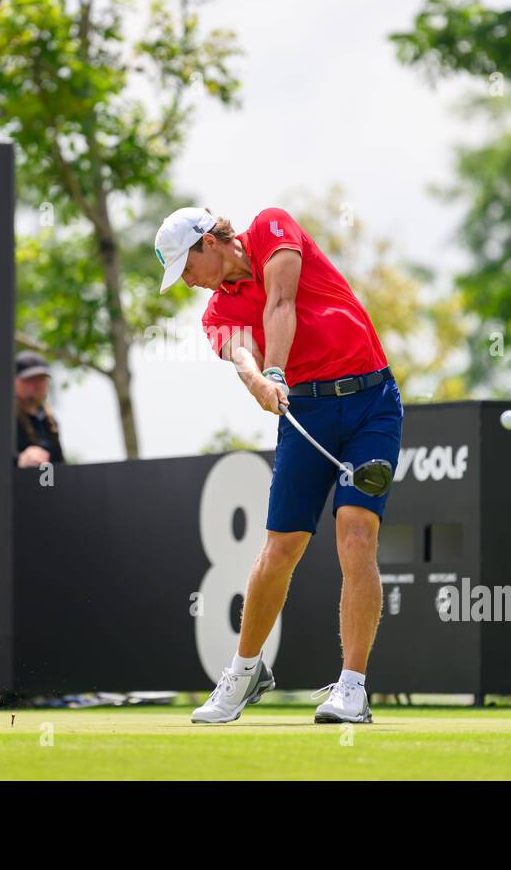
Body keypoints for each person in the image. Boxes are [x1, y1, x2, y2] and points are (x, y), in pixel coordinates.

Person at [154, 205, 403, 724]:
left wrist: (275, 369)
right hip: (305, 410)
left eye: (187, 268)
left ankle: (352, 689)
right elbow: (241, 354)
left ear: (209, 243)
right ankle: (245, 672)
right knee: (280, 548)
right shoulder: (215, 313)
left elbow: (282, 301)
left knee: (356, 534)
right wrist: (259, 382)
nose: (189, 283)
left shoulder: (271, 227)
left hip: (371, 399)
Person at [14, 350, 63, 468]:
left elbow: (59, 465)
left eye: (42, 379)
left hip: (45, 485)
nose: (37, 385)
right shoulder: (3, 418)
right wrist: (19, 460)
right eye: (30, 379)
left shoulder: (49, 421)